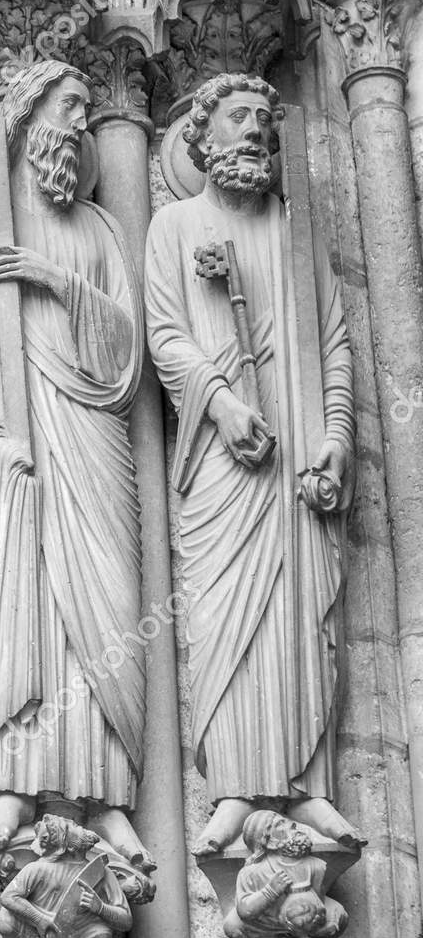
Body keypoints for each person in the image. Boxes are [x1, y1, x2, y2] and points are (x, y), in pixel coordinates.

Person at [0, 60, 151, 874]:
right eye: (69, 107)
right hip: (7, 454)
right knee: (18, 605)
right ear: (25, 122)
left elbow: (128, 358)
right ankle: (13, 785)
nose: (81, 124)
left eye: (90, 112)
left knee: (101, 608)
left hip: (92, 438)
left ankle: (105, 795)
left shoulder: (97, 233)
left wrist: (54, 280)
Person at [143, 73, 360, 855]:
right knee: (223, 616)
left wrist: (335, 433)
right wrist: (225, 403)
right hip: (224, 463)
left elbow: (333, 342)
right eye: (239, 116)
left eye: (266, 119)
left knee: (302, 617)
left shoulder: (293, 230)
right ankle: (234, 786)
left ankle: (310, 786)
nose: (256, 130)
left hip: (298, 460)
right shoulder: (173, 225)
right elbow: (165, 334)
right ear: (201, 135)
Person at [0, 814, 133, 938]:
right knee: (5, 920)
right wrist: (39, 920)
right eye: (71, 826)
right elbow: (7, 897)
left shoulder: (102, 872)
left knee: (102, 934)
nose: (78, 825)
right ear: (67, 846)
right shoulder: (37, 869)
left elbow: (126, 922)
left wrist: (101, 908)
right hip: (40, 936)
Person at [224, 809, 347, 938]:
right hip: (266, 925)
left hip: (306, 923)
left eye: (285, 820)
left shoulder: (316, 865)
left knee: (339, 915)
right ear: (269, 842)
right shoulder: (252, 873)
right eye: (279, 824)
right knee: (232, 925)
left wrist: (311, 917)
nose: (291, 825)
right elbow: (245, 910)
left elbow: (319, 895)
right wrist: (269, 891)